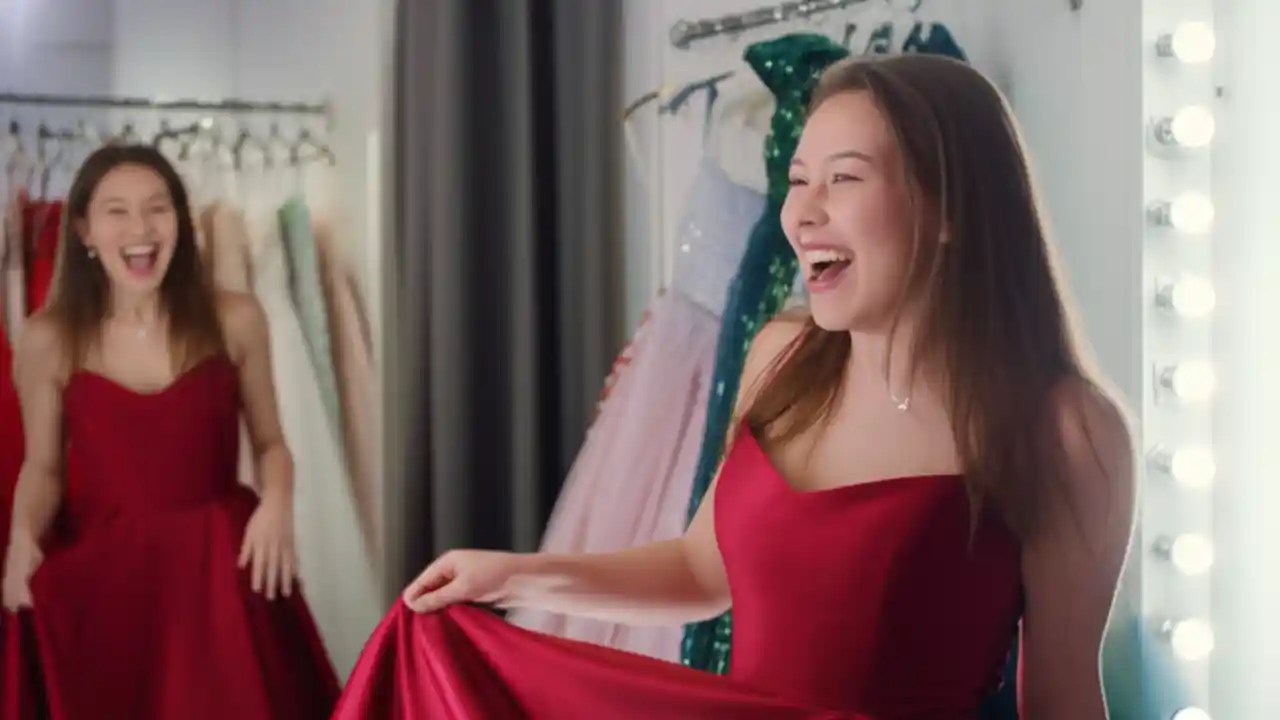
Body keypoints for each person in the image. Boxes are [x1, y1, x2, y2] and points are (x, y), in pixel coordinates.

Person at [334, 54, 1135, 719]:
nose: (802, 215)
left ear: (950, 208)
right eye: (797, 180)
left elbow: (1062, 698)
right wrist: (514, 574)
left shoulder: (1066, 431)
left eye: (845, 180)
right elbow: (700, 570)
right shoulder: (781, 357)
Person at [0, 145, 339, 719]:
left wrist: (277, 502)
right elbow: (44, 467)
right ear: (83, 227)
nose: (141, 228)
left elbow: (270, 443)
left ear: (181, 222)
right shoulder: (48, 338)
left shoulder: (236, 317)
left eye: (158, 209)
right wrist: (21, 539)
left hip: (224, 576)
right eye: (117, 211)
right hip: (111, 580)